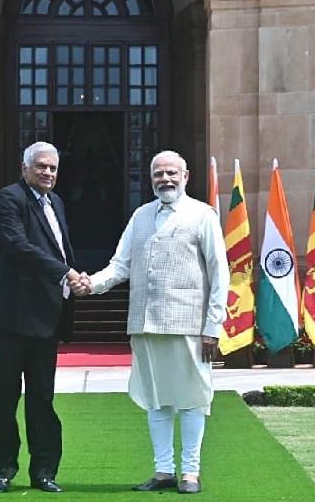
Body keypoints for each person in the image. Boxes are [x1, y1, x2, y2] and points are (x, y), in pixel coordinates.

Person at [74, 150, 228, 495]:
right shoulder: (141, 216)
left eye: (172, 173)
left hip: (189, 324)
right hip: (145, 323)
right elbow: (120, 265)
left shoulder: (203, 215)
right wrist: (91, 284)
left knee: (192, 398)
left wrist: (212, 326)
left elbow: (220, 274)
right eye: (159, 174)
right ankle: (163, 471)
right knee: (156, 399)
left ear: (185, 176)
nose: (165, 179)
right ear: (151, 178)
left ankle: (190, 472)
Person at [0, 141, 84, 494]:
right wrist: (65, 272)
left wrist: (73, 277)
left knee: (42, 398)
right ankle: (3, 471)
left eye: (53, 168)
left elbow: (58, 249)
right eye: (41, 166)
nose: (48, 173)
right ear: (25, 168)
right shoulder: (10, 198)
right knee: (5, 398)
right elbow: (18, 245)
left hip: (45, 318)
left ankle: (44, 473)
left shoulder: (57, 203)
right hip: (9, 317)